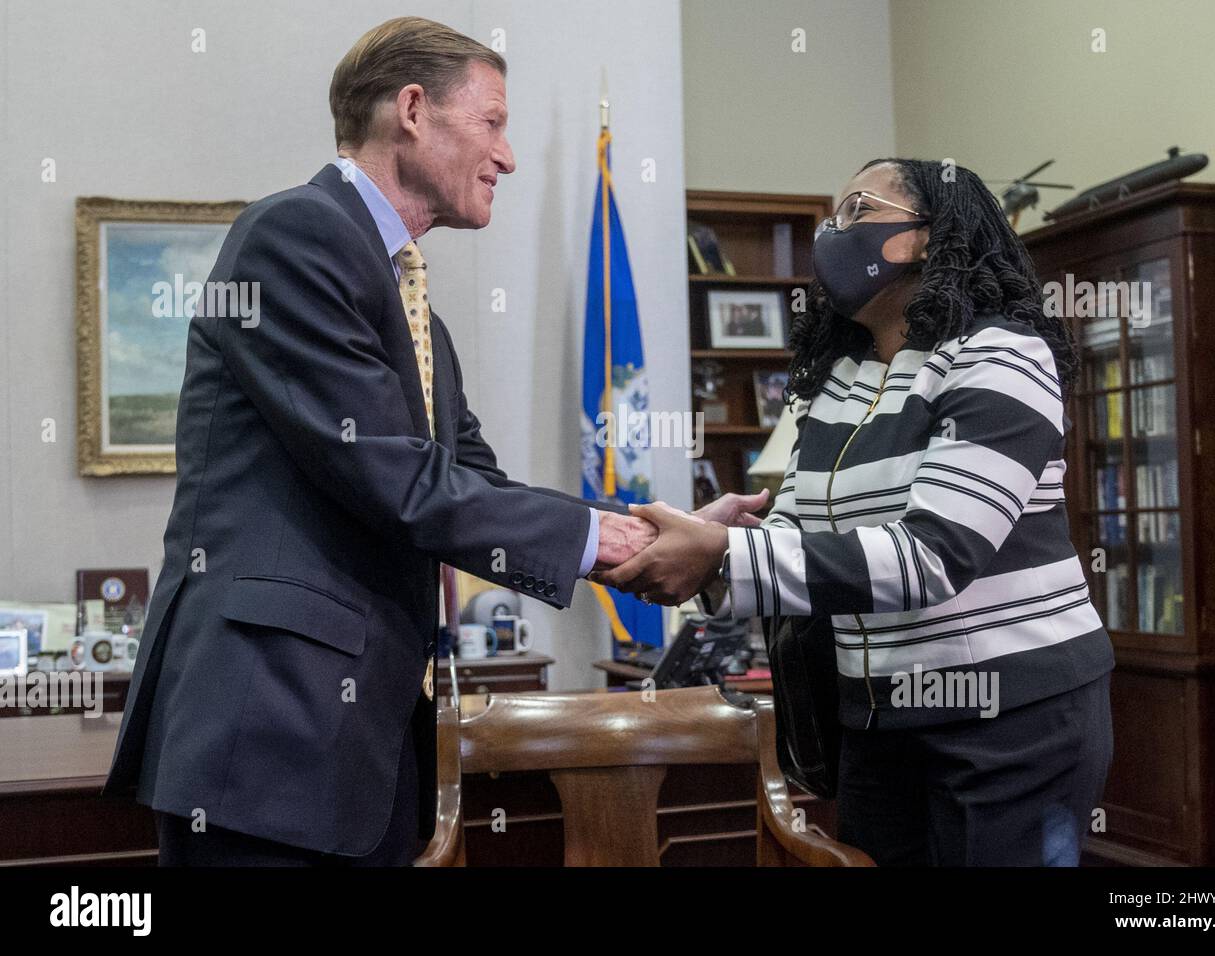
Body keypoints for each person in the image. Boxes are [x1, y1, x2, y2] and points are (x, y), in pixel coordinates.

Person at [101, 16, 763, 867]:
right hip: (266, 740)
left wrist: (661, 530)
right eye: (492, 123)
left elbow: (472, 484)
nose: (509, 156)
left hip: (361, 753)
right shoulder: (293, 237)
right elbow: (395, 479)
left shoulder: (423, 320)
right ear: (412, 109)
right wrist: (629, 542)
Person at [596, 158, 1116, 866]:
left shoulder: (998, 355)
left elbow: (932, 556)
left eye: (856, 210)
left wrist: (720, 553)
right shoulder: (836, 382)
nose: (830, 234)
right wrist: (711, 545)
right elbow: (802, 535)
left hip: (1008, 719)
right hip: (875, 716)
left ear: (928, 237)